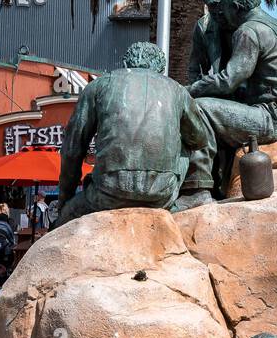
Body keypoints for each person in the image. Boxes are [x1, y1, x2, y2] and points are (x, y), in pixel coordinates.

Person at [182, 0, 277, 207]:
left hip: (273, 117)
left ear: (236, 7)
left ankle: (198, 190)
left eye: (225, 7)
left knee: (201, 108)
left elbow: (227, 81)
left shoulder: (248, 31)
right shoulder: (275, 26)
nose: (220, 13)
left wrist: (187, 92)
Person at [58, 42, 210, 225]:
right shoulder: (177, 90)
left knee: (64, 218)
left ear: (125, 63)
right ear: (160, 69)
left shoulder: (99, 85)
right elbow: (200, 139)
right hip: (162, 194)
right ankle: (194, 194)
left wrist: (65, 201)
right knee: (189, 140)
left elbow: (72, 150)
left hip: (107, 193)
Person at [188, 0, 229, 82]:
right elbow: (195, 66)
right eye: (213, 13)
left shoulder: (242, 22)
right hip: (219, 85)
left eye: (221, 12)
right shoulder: (203, 26)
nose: (218, 17)